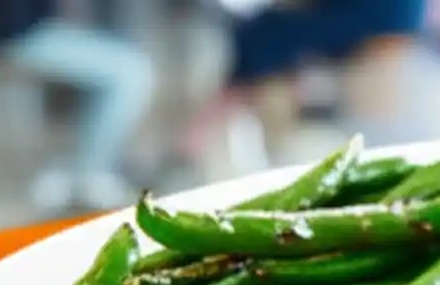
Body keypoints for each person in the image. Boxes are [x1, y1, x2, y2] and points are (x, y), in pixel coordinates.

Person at [181, 0, 427, 170]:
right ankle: (202, 133)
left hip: (378, 17)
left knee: (261, 38)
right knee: (262, 35)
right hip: (391, 18)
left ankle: (198, 137)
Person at [0, 0, 155, 210]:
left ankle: (78, 170)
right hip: (16, 35)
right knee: (131, 71)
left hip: (27, 29)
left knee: (117, 56)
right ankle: (89, 175)